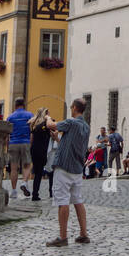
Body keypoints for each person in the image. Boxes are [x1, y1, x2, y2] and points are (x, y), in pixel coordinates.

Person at [44, 97, 90, 247]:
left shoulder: (71, 122)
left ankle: (63, 237)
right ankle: (83, 234)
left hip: (64, 168)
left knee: (62, 201)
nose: (70, 109)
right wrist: (58, 139)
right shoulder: (86, 126)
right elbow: (73, 146)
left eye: (71, 107)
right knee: (78, 200)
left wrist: (47, 116)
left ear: (75, 108)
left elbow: (51, 124)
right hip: (77, 168)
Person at [6, 96, 34, 198]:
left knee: (14, 168)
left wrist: (7, 145)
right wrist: (30, 144)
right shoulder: (29, 115)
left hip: (13, 143)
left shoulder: (10, 117)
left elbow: (7, 134)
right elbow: (32, 131)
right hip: (25, 142)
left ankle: (13, 191)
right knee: (27, 165)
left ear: (15, 105)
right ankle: (24, 182)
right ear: (24, 104)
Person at [29, 108, 52, 202]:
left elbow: (31, 139)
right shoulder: (46, 125)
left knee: (37, 172)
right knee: (40, 173)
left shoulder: (35, 125)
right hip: (42, 150)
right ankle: (35, 194)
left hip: (34, 149)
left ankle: (35, 193)